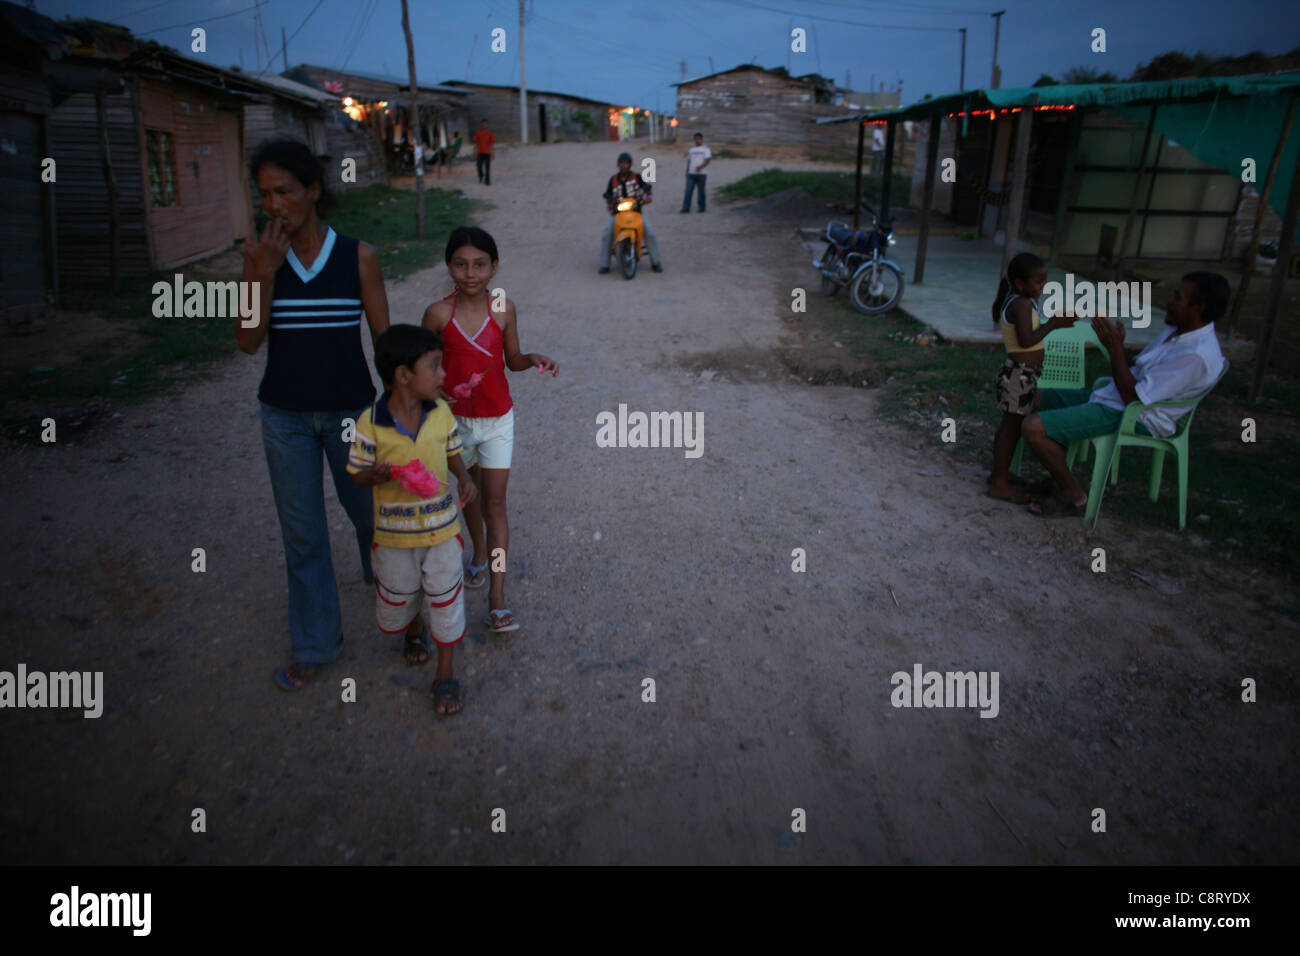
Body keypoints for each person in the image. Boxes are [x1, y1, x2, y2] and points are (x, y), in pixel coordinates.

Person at [238, 138, 390, 691]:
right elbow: (248, 341)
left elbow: (383, 343)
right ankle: (316, 643)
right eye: (265, 195)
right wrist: (264, 272)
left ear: (314, 191)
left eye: (285, 191)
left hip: (351, 413)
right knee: (302, 535)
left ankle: (406, 615)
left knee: (374, 521)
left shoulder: (358, 256)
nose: (274, 205)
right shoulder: (260, 258)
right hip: (285, 418)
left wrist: (407, 412)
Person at [421, 227, 559, 633]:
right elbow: (422, 365)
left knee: (495, 504)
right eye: (460, 264)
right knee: (469, 495)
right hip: (453, 425)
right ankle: (478, 553)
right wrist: (432, 393)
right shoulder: (437, 314)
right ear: (449, 267)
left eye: (480, 264)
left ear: (494, 267)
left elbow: (511, 358)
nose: (470, 273)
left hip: (498, 420)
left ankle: (497, 596)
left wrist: (531, 357)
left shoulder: (504, 309)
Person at [1020, 271, 1230, 518]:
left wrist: (1115, 348)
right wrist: (1117, 343)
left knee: (1034, 428)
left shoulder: (1196, 355)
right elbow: (1138, 367)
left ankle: (1073, 496)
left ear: (1199, 308)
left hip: (1136, 415)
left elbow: (1134, 398)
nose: (1168, 302)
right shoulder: (1178, 331)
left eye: (1177, 298)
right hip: (1114, 396)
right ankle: (1049, 477)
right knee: (1028, 396)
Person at [347, 325, 477, 715]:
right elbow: (356, 473)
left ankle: (446, 674)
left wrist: (465, 477)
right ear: (404, 375)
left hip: (441, 530)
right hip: (394, 537)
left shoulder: (441, 414)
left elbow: (453, 448)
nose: (443, 376)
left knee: (447, 598)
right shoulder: (369, 422)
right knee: (403, 593)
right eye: (434, 367)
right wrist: (376, 475)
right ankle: (414, 629)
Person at [987, 252, 1074, 504]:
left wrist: (1051, 323)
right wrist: (1053, 324)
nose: (1043, 286)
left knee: (1010, 427)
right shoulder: (1021, 304)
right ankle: (1000, 483)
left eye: (1044, 281)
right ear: (1020, 283)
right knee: (1011, 428)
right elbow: (1027, 340)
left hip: (1024, 374)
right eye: (1038, 281)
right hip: (1018, 374)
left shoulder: (1023, 301)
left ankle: (999, 474)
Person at [599, 152, 664, 274]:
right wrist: (609, 200)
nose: (624, 165)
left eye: (626, 163)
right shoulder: (613, 180)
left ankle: (656, 262)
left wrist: (646, 195)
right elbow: (608, 194)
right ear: (618, 164)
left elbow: (646, 188)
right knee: (607, 234)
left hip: (636, 212)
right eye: (622, 163)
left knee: (650, 233)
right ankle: (604, 264)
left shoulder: (637, 177)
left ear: (630, 164)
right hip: (618, 213)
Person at [680, 132, 711, 213]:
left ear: (701, 139)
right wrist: (686, 171)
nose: (697, 140)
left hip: (702, 174)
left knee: (701, 192)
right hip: (691, 173)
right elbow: (689, 161)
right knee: (688, 191)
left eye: (699, 139)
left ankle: (702, 208)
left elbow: (708, 160)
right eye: (696, 139)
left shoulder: (706, 149)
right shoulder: (692, 150)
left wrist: (701, 167)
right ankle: (685, 208)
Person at [473, 119, 495, 186]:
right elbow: (475, 143)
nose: (484, 125)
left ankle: (487, 181)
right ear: (481, 125)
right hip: (480, 152)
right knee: (478, 165)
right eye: (483, 124)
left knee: (487, 167)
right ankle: (481, 175)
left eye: (485, 124)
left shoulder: (489, 133)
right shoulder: (478, 133)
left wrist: (493, 153)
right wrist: (474, 152)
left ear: (487, 125)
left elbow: (492, 144)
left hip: (487, 152)